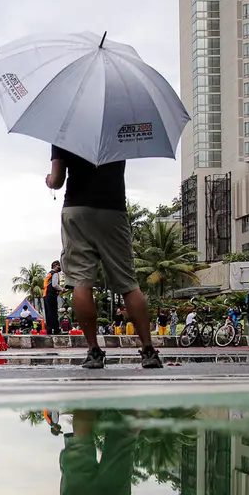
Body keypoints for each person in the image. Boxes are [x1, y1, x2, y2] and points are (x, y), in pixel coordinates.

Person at [46, 145, 162, 369]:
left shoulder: (65, 128)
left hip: (77, 210)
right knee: (128, 283)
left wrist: (50, 181)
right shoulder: (119, 123)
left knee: (81, 281)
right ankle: (148, 351)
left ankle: (94, 352)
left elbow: (58, 180)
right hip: (113, 209)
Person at [43, 260, 65, 334]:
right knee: (53, 312)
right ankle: (56, 329)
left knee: (48, 312)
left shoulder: (49, 274)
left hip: (45, 295)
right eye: (59, 266)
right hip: (51, 294)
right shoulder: (54, 274)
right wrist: (62, 289)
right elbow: (54, 285)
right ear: (55, 266)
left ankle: (49, 329)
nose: (60, 267)